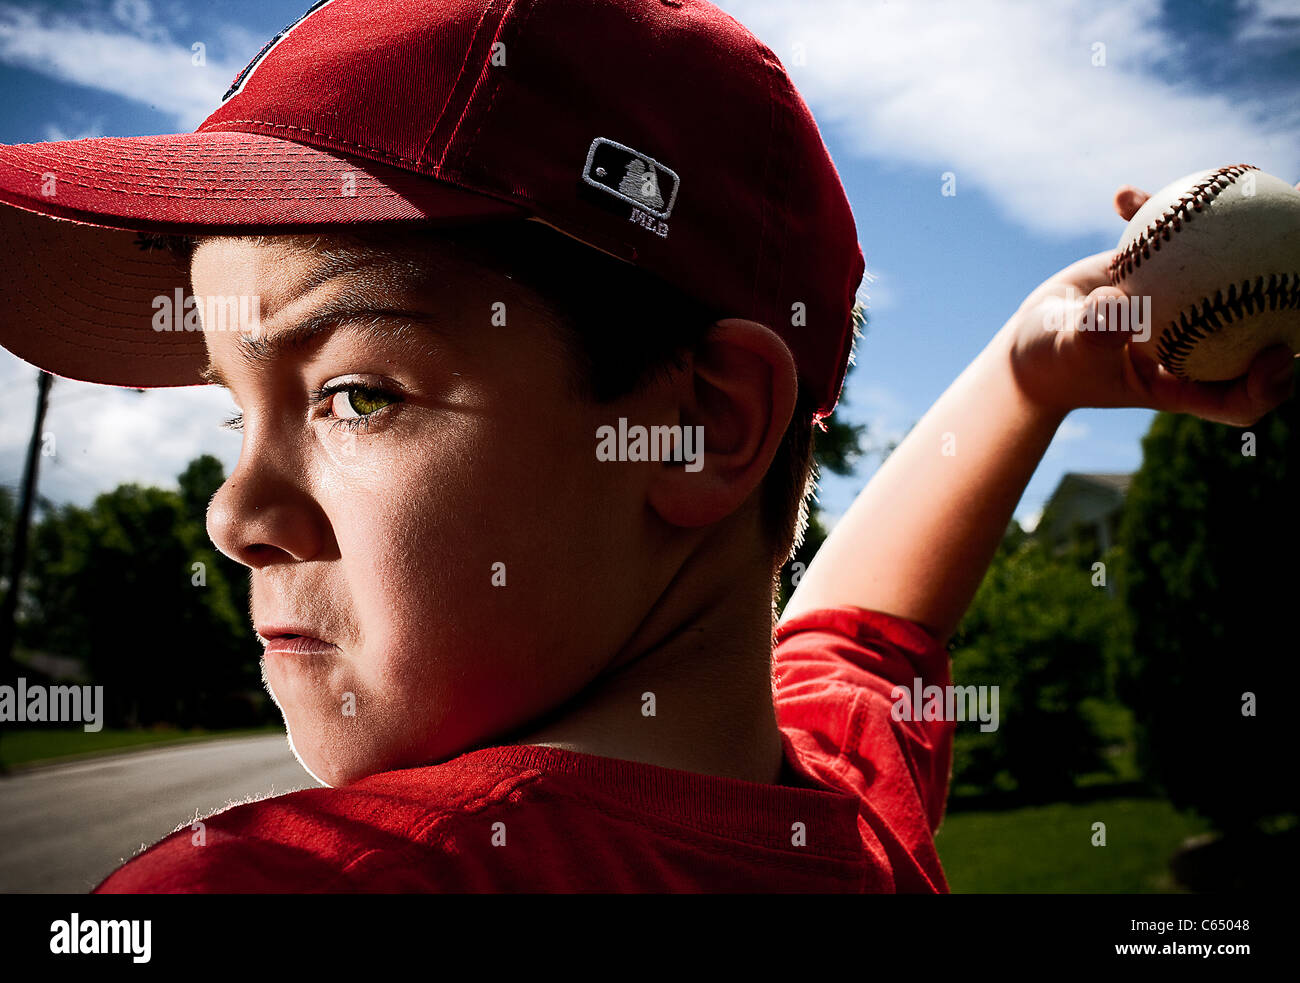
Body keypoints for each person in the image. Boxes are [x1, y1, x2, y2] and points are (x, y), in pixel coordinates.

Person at [0, 0, 1293, 893]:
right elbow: (847, 640)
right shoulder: (833, 816)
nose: (235, 513)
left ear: (701, 426)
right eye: (239, 407)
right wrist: (1025, 379)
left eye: (356, 394)